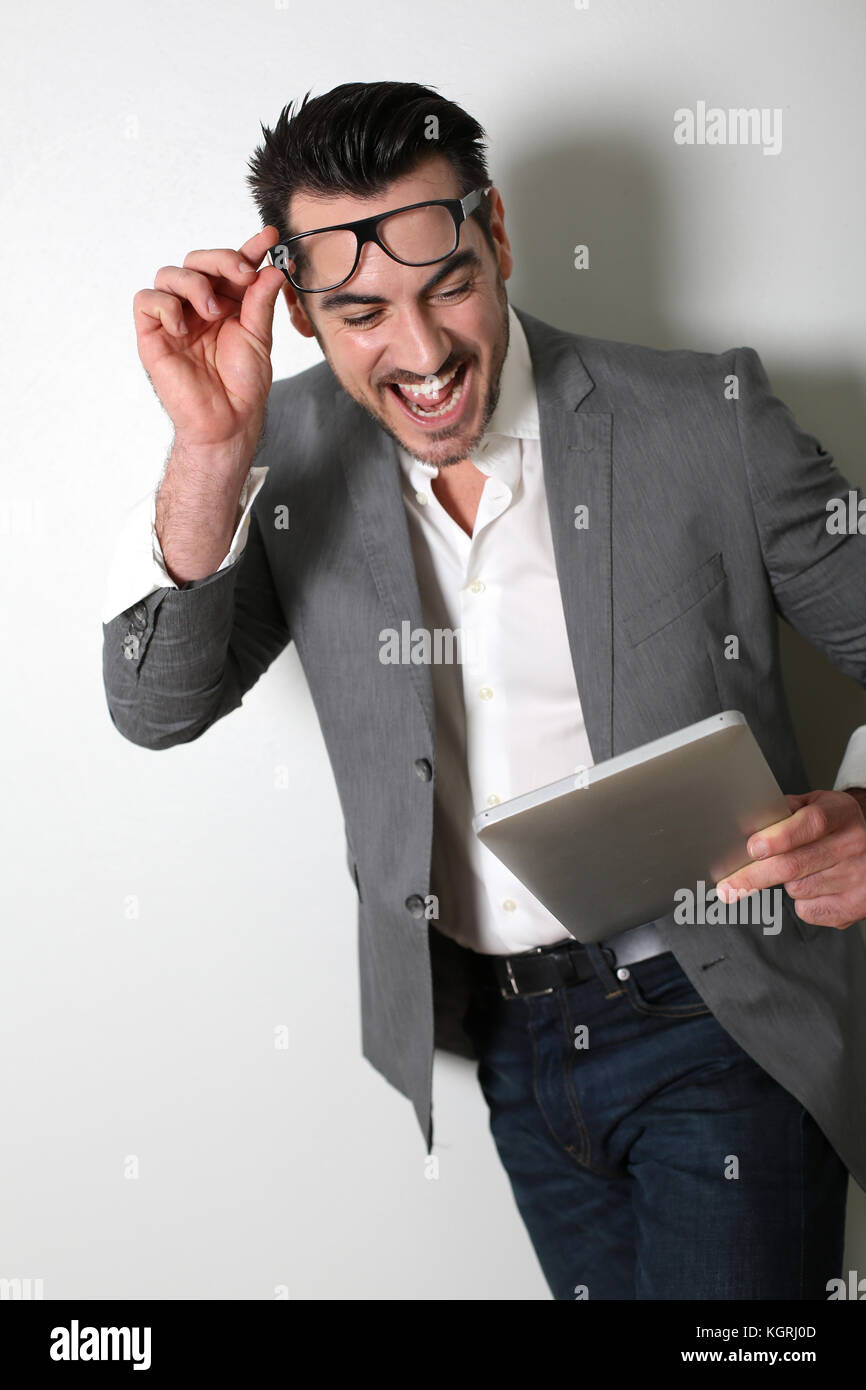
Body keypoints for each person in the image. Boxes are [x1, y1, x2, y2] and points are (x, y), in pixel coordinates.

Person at [102, 80, 866, 1300]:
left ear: (497, 236)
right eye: (359, 312)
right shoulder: (282, 454)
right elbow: (156, 708)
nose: (419, 354)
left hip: (719, 1026)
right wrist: (207, 454)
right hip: (513, 1050)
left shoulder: (705, 420)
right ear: (299, 314)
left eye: (446, 284)